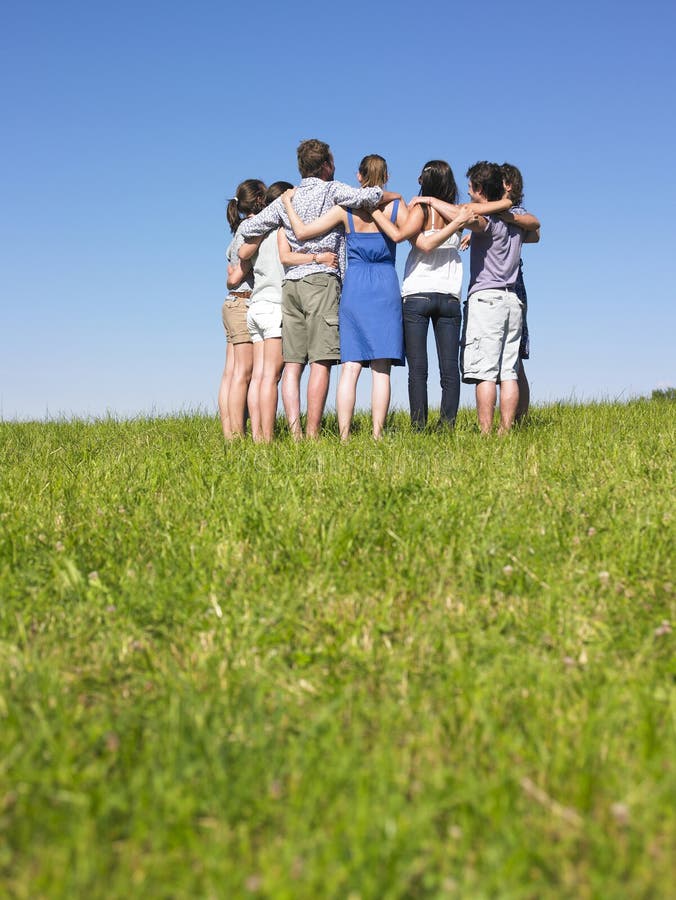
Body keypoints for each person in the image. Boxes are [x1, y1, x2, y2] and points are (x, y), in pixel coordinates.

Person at [238, 139, 395, 439]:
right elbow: (371, 195)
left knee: (294, 363)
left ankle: (295, 435)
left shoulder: (289, 198)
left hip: (291, 285)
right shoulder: (332, 190)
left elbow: (248, 229)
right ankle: (312, 434)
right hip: (322, 279)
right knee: (321, 361)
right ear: (326, 165)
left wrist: (283, 210)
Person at [280, 154, 406, 440]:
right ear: (385, 177)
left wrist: (288, 203)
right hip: (385, 285)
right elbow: (411, 235)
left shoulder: (344, 210)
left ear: (359, 177)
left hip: (355, 288)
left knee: (350, 366)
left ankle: (345, 435)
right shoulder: (397, 207)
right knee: (381, 368)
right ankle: (376, 435)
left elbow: (302, 232)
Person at [371, 161, 479, 430]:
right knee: (449, 368)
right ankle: (447, 426)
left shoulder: (419, 209)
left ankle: (419, 426)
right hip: (449, 295)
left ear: (426, 181)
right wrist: (457, 225)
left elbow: (419, 242)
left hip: (417, 294)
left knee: (418, 370)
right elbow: (469, 220)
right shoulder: (460, 213)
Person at [230, 182, 338, 442]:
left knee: (258, 375)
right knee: (271, 376)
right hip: (275, 306)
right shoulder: (282, 230)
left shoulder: (258, 233)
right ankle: (267, 439)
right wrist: (318, 258)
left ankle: (256, 436)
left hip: (255, 306)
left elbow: (241, 253)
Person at [221, 178, 266, 439]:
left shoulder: (238, 229)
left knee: (231, 372)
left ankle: (230, 434)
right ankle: (237, 434)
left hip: (231, 303)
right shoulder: (252, 228)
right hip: (243, 300)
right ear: (260, 199)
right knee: (243, 373)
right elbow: (237, 273)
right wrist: (241, 271)